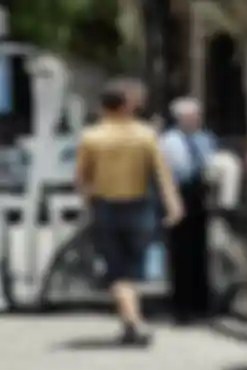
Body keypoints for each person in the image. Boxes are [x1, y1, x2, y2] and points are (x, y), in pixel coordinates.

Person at [74, 78, 184, 345]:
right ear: (127, 106)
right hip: (139, 207)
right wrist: (173, 204)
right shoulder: (145, 135)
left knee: (117, 270)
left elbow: (81, 178)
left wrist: (87, 202)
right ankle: (131, 320)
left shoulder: (91, 137)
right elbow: (161, 173)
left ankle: (133, 321)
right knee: (131, 270)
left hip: (106, 206)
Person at [160, 97, 217, 323]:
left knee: (201, 250)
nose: (195, 120)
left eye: (197, 116)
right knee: (179, 252)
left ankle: (202, 302)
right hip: (177, 193)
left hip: (201, 194)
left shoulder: (205, 139)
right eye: (191, 116)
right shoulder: (169, 140)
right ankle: (181, 305)